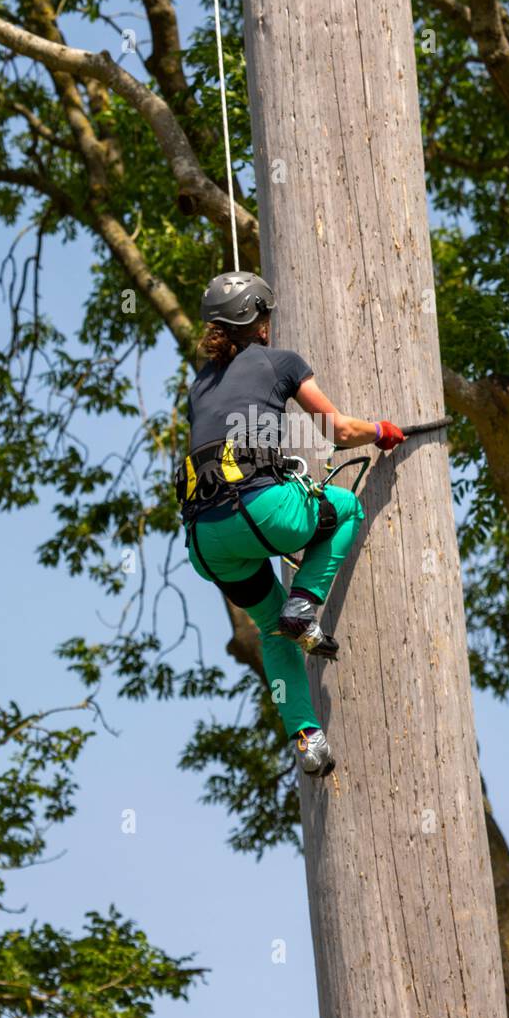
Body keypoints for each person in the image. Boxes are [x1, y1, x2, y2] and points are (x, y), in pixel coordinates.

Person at [176, 271, 405, 778]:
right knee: (344, 509)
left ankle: (307, 739)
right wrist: (381, 430)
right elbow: (340, 431)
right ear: (257, 321)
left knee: (272, 632)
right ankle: (305, 604)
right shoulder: (280, 361)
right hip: (262, 512)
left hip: (205, 541)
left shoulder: (200, 385)